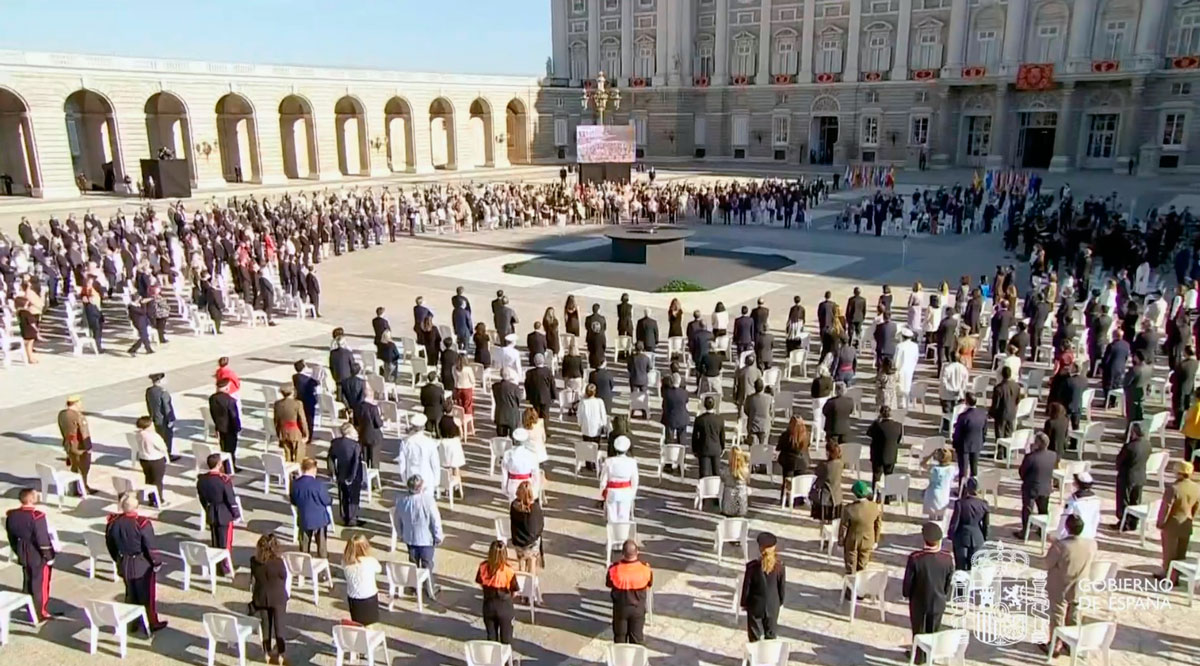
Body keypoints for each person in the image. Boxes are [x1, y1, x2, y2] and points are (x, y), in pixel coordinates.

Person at [105, 494, 167, 633]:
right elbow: (149, 545)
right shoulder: (141, 523)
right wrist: (156, 562)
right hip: (141, 563)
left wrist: (118, 559)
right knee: (146, 596)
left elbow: (110, 544)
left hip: (124, 561)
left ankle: (132, 623)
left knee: (130, 593)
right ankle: (151, 622)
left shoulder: (113, 522)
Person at [1043, 514, 1097, 658]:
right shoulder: (1092, 544)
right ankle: (1071, 642)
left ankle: (1055, 645)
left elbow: (1047, 563)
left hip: (1060, 585)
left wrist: (1054, 544)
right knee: (1073, 615)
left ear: (1067, 528)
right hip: (1079, 585)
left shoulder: (1060, 546)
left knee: (1057, 616)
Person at [902, 522, 955, 663]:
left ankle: (919, 657)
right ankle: (931, 655)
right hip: (938, 601)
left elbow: (908, 583)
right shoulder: (947, 558)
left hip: (919, 602)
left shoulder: (915, 558)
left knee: (918, 630)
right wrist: (944, 595)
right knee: (934, 630)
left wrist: (907, 594)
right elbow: (948, 582)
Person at [5, 488, 59, 621]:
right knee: (40, 584)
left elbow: (11, 536)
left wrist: (17, 550)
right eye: (35, 495)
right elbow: (42, 540)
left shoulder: (12, 515)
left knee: (27, 580)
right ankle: (41, 612)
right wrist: (49, 556)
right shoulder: (37, 516)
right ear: (30, 499)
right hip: (37, 554)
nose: (37, 496)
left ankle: (29, 606)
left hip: (22, 551)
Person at [394, 474, 443, 599]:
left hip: (410, 538)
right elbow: (435, 520)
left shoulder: (402, 501)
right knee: (427, 565)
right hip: (426, 539)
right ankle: (430, 589)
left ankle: (415, 586)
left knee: (413, 563)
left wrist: (400, 534)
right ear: (421, 487)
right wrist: (438, 536)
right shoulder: (428, 501)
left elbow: (396, 520)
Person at [196, 452, 239, 573]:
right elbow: (230, 499)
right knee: (225, 543)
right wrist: (236, 513)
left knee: (215, 540)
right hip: (224, 513)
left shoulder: (202, 480)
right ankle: (225, 567)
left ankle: (217, 565)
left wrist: (207, 509)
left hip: (211, 511)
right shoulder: (224, 480)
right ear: (219, 464)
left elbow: (202, 498)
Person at [249, 534, 289, 665]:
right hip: (278, 597)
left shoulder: (254, 562)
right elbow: (284, 576)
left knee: (265, 626)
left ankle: (267, 652)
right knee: (279, 626)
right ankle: (281, 655)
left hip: (261, 597)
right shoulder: (278, 563)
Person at [1158, 461, 1200, 582]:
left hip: (1172, 524)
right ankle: (1177, 574)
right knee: (1181, 551)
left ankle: (1169, 576)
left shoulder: (1173, 488)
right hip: (1186, 524)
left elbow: (1166, 508)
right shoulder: (1196, 487)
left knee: (1169, 552)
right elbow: (1196, 507)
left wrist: (1161, 522)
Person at [741, 532, 786, 642]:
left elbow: (746, 588)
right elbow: (781, 589)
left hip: (755, 605)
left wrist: (744, 603)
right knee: (771, 635)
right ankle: (768, 657)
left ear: (760, 548)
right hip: (772, 604)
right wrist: (779, 602)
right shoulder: (780, 567)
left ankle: (755, 657)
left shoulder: (752, 567)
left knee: (754, 636)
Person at [606, 540, 652, 645]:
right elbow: (649, 584)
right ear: (637, 552)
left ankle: (620, 660)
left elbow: (609, 583)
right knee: (636, 639)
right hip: (638, 610)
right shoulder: (645, 569)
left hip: (620, 610)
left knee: (620, 639)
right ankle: (635, 660)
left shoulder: (614, 569)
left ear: (622, 553)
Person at [475, 539, 520, 644]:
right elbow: (515, 591)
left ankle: (493, 659)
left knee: (491, 638)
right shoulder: (508, 570)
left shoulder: (483, 567)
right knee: (506, 639)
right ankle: (506, 660)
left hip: (488, 605)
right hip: (504, 607)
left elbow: (480, 583)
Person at [289, 458, 332, 557]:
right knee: (322, 546)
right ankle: (322, 562)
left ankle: (304, 564)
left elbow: (293, 500)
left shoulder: (295, 484)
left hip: (304, 518)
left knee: (304, 546)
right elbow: (327, 500)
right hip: (319, 519)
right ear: (313, 469)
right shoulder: (318, 484)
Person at [839, 480, 882, 574]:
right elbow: (878, 525)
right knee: (863, 566)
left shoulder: (849, 509)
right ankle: (860, 586)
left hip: (852, 541)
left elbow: (843, 527)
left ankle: (851, 587)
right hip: (868, 540)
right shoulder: (875, 507)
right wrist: (876, 540)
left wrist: (841, 542)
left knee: (851, 567)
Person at [947, 478, 989, 571]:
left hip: (961, 537)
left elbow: (955, 521)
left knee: (960, 567)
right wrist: (984, 537)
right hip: (977, 537)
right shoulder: (984, 504)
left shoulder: (960, 503)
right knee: (974, 567)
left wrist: (950, 535)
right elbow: (986, 525)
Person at [395, 414, 441, 497]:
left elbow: (402, 463)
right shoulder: (429, 442)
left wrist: (405, 480)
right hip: (427, 478)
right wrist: (436, 481)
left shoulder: (405, 442)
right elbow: (435, 463)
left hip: (411, 478)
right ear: (423, 427)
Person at [328, 423, 364, 527]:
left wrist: (333, 472)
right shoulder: (355, 445)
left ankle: (344, 516)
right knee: (353, 497)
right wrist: (352, 477)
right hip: (353, 476)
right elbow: (356, 462)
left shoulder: (335, 443)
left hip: (340, 473)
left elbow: (330, 458)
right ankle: (352, 519)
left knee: (343, 496)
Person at [57, 395, 94, 493]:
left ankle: (74, 488)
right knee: (83, 468)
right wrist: (88, 447)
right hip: (80, 447)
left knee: (74, 467)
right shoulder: (79, 416)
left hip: (69, 445)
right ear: (75, 403)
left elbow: (62, 430)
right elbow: (84, 433)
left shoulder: (62, 414)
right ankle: (84, 488)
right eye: (79, 402)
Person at [342, 534, 382, 625]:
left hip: (354, 598)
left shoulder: (345, 562)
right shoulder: (370, 561)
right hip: (369, 597)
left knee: (357, 623)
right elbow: (379, 569)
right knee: (370, 626)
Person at [510, 481, 544, 575]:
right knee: (532, 560)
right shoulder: (535, 508)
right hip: (531, 543)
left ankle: (521, 575)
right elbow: (540, 525)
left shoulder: (514, 506)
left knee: (521, 560)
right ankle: (530, 580)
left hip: (518, 543)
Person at [602, 436, 639, 522]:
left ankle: (613, 534)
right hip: (626, 492)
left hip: (612, 492)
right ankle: (622, 535)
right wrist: (632, 495)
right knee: (624, 519)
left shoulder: (609, 461)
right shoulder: (632, 462)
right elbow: (635, 481)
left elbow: (603, 481)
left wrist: (602, 494)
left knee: (612, 519)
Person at [133, 416, 169, 505]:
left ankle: (151, 499)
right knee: (157, 481)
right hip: (155, 459)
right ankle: (159, 500)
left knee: (148, 479)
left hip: (144, 459)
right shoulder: (153, 436)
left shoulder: (138, 435)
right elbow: (163, 447)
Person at [210, 377, 242, 472]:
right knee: (231, 448)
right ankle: (231, 467)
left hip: (220, 427)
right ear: (227, 388)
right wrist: (238, 427)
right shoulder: (230, 401)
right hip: (230, 428)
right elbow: (234, 416)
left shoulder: (212, 398)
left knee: (223, 447)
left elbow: (213, 413)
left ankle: (225, 464)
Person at [951, 393, 987, 480]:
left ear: (966, 402)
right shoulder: (982, 414)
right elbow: (984, 430)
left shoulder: (963, 417)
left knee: (963, 470)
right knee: (974, 469)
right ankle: (973, 488)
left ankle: (962, 491)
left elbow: (957, 433)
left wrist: (955, 444)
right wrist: (982, 441)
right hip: (976, 444)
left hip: (964, 446)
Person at [867, 405, 903, 492]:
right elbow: (898, 439)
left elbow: (868, 433)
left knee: (876, 476)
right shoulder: (898, 425)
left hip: (877, 455)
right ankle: (888, 496)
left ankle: (876, 494)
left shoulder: (877, 425)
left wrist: (876, 420)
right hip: (891, 454)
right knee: (889, 476)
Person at [145, 373, 179, 461]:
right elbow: (167, 407)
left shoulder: (149, 391)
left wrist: (151, 416)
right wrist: (170, 419)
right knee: (167, 437)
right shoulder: (163, 392)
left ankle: (161, 452)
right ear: (160, 380)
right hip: (164, 419)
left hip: (155, 418)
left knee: (159, 436)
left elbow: (148, 404)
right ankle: (167, 454)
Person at [777, 416, 810, 505]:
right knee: (799, 480)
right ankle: (799, 499)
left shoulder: (787, 435)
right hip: (803, 462)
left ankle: (787, 499)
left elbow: (779, 447)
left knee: (787, 480)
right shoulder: (806, 435)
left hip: (788, 462)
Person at [1058, 472, 1101, 539]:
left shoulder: (1073, 499)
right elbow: (1096, 518)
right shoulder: (1096, 499)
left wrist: (1059, 535)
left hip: (1075, 534)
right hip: (1089, 535)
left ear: (1077, 484)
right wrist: (1092, 534)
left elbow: (1065, 517)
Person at [691, 395, 725, 479]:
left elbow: (695, 436)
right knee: (716, 473)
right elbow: (722, 436)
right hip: (716, 448)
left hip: (703, 449)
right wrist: (722, 447)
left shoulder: (699, 419)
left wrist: (694, 449)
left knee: (704, 474)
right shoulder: (720, 419)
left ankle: (704, 489)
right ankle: (716, 490)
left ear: (704, 405)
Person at [273, 385, 309, 463]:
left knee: (287, 454)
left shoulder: (277, 404)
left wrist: (278, 433)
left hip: (283, 431)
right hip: (295, 431)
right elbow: (302, 420)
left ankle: (289, 472)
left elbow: (276, 421)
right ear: (292, 392)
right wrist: (306, 434)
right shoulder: (298, 404)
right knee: (299, 454)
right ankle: (297, 470)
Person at [811, 441, 845, 521]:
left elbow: (817, 473)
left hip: (825, 497)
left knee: (823, 520)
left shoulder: (824, 466)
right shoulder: (841, 463)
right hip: (837, 496)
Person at [921, 447, 957, 519]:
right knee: (941, 517)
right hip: (944, 494)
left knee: (931, 517)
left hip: (931, 493)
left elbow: (922, 463)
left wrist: (931, 454)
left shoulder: (933, 468)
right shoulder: (952, 469)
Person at [989, 366, 1020, 440]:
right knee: (1009, 436)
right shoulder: (1016, 386)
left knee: (1000, 437)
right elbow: (1017, 400)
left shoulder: (998, 388)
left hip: (1001, 415)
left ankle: (1001, 451)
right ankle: (1007, 451)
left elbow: (995, 404)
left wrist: (991, 413)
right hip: (1012, 414)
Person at [292, 360, 319, 444]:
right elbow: (316, 383)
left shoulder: (295, 377)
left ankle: (302, 433)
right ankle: (309, 437)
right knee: (309, 419)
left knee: (301, 418)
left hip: (299, 399)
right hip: (308, 401)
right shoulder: (308, 380)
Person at [1172, 346, 1199, 427]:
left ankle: (1178, 423)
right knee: (1186, 405)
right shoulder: (1195, 363)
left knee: (1179, 406)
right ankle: (1184, 421)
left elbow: (1174, 377)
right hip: (1189, 386)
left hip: (1180, 387)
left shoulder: (1182, 365)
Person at [720, 446, 750, 517]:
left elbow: (722, 478)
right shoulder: (745, 470)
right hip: (742, 506)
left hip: (728, 506)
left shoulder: (727, 471)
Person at [492, 368, 522, 437]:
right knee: (514, 437)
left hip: (500, 414)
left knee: (501, 438)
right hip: (512, 415)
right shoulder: (514, 387)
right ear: (509, 375)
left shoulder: (495, 386)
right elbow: (518, 400)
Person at [743, 378, 773, 448]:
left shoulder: (749, 398)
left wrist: (752, 415)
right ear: (763, 388)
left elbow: (746, 410)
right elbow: (771, 411)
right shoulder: (769, 398)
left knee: (752, 448)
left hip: (753, 425)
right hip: (764, 426)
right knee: (763, 446)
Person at [525, 353, 555, 420]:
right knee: (545, 415)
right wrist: (554, 396)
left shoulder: (529, 373)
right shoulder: (548, 371)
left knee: (536, 416)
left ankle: (537, 429)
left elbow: (527, 386)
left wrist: (528, 397)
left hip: (534, 397)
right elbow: (552, 384)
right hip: (546, 397)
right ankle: (544, 429)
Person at [1183, 389, 1200, 462]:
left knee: (1189, 451)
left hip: (1192, 433)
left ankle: (1187, 465)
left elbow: (1190, 418)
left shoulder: (1195, 406)